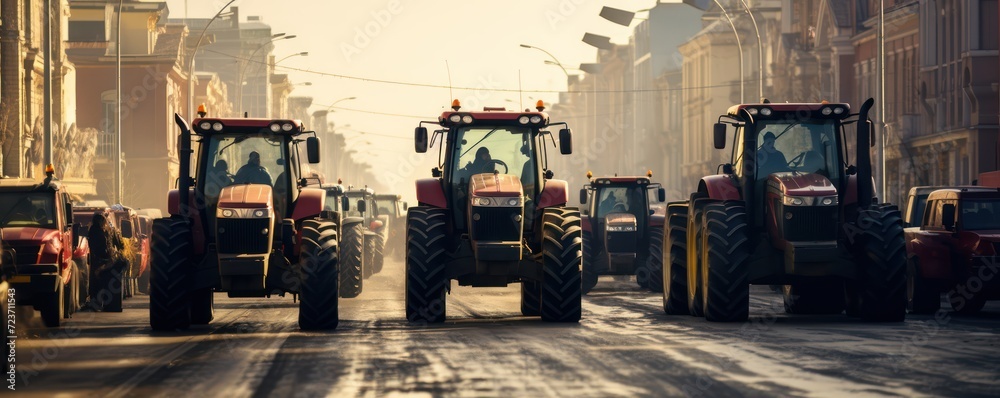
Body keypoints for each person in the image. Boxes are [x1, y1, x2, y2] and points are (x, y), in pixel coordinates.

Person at [86, 212, 126, 312]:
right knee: (102, 282)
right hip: (104, 260)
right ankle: (100, 302)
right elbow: (118, 245)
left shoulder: (96, 230)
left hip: (100, 260)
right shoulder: (105, 231)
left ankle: (97, 302)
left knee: (98, 282)